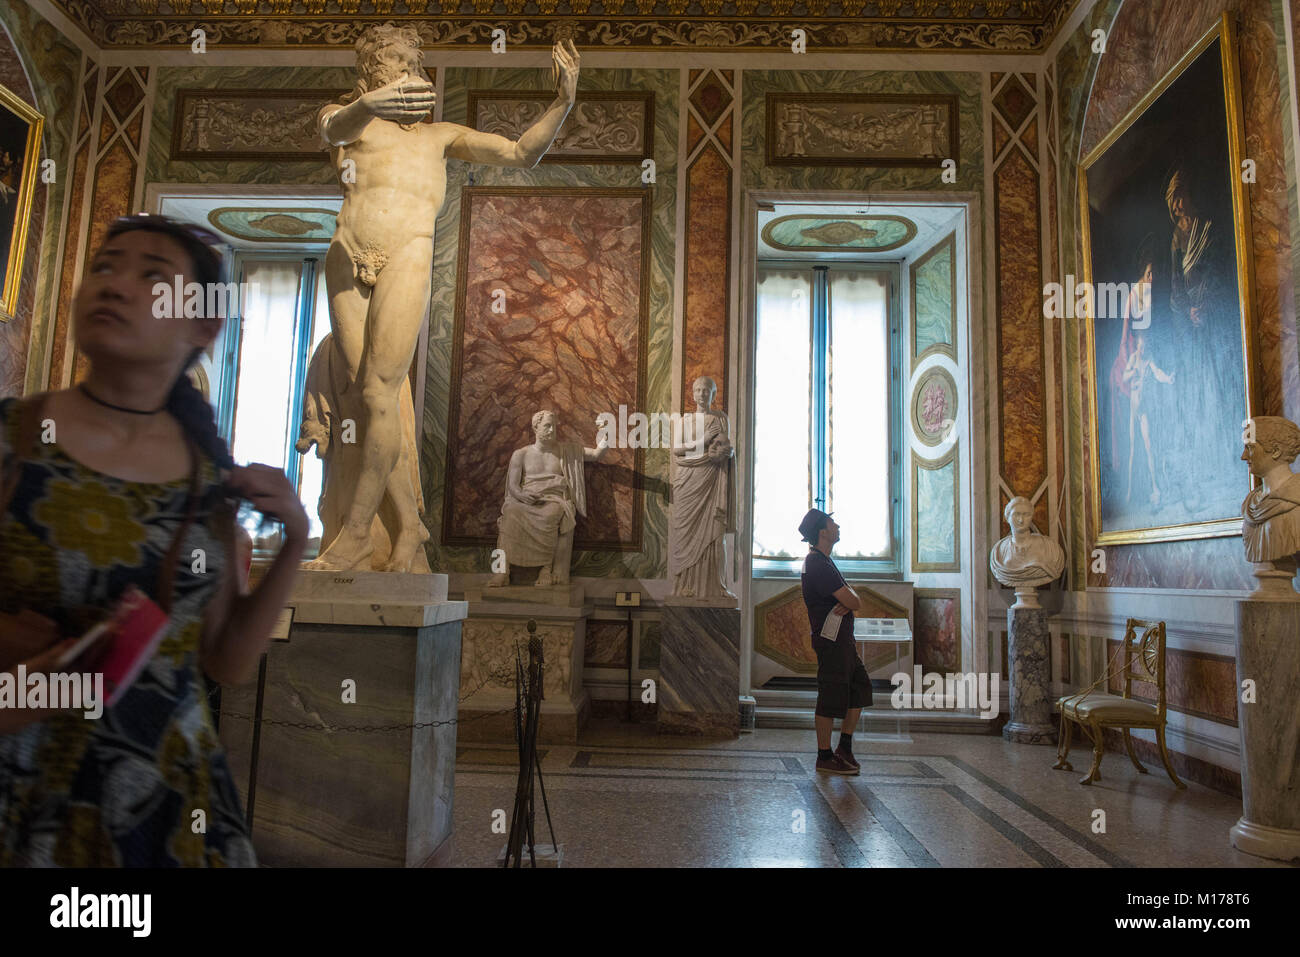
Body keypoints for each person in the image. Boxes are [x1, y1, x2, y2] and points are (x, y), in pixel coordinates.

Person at [0, 214, 309, 866]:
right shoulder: (15, 438)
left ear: (202, 326)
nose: (114, 285)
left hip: (160, 794)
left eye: (152, 277)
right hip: (22, 774)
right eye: (105, 267)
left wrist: (296, 537)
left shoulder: (206, 481)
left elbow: (224, 660)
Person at [798, 508, 870, 775]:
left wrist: (850, 600)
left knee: (859, 688)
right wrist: (849, 600)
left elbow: (853, 600)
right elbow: (853, 601)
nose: (837, 525)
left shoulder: (825, 561)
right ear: (822, 531)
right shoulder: (816, 563)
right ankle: (824, 756)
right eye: (832, 522)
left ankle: (845, 747)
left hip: (843, 641)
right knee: (830, 696)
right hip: (831, 642)